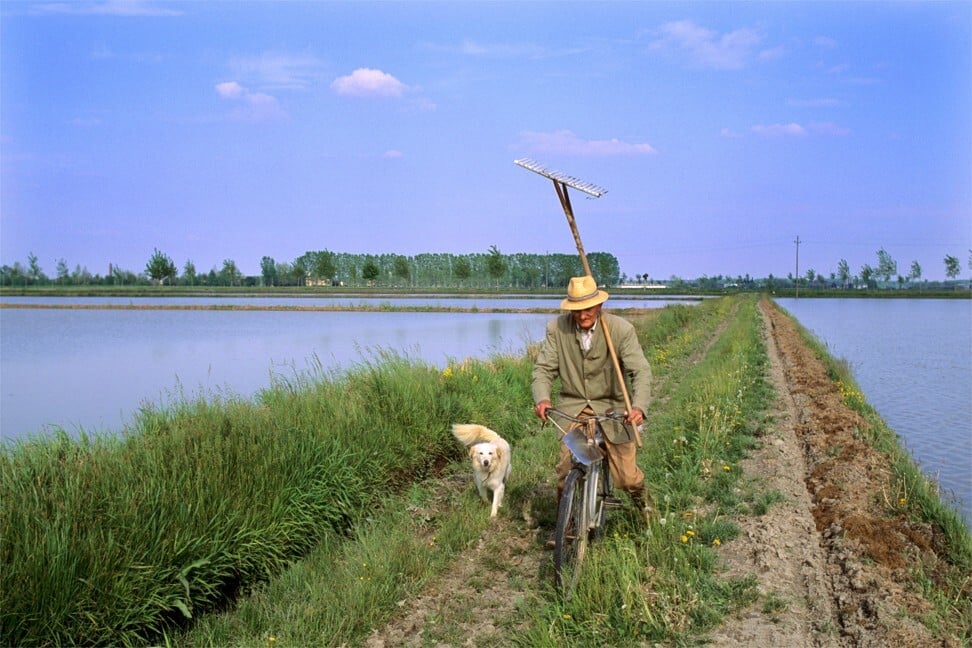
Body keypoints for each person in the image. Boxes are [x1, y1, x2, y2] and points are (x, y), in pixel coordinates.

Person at [532, 275, 653, 539]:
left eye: (587, 308)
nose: (582, 315)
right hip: (573, 408)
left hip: (613, 409)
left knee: (628, 479)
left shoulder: (621, 330)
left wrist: (639, 406)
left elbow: (641, 371)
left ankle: (646, 510)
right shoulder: (557, 329)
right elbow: (543, 369)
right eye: (576, 309)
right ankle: (567, 526)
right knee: (566, 472)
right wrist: (542, 398)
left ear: (599, 307)